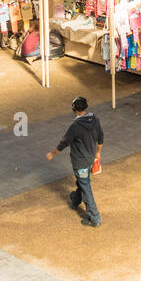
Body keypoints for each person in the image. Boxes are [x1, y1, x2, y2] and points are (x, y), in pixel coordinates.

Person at [47, 96, 104, 228]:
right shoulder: (95, 120)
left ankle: (94, 217)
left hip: (80, 162)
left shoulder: (75, 126)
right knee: (82, 182)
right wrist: (98, 154)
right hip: (90, 159)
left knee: (85, 187)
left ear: (75, 110)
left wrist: (52, 154)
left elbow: (64, 143)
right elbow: (101, 139)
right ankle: (75, 200)